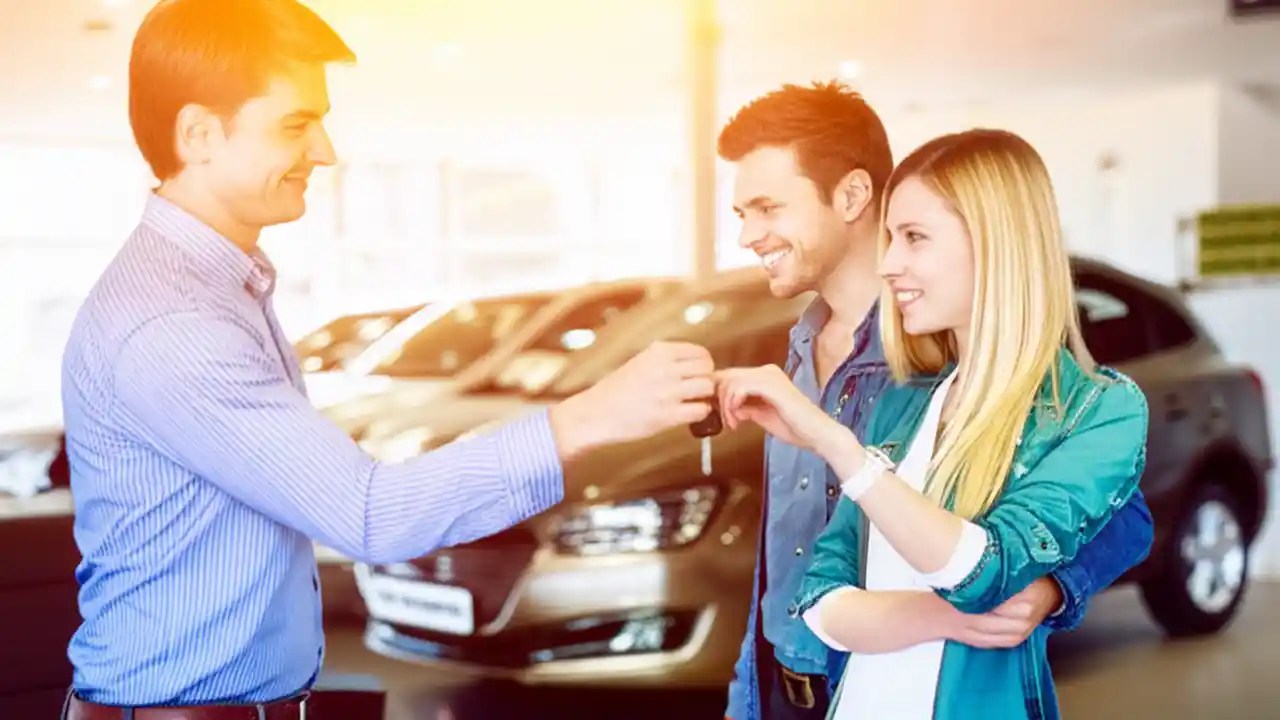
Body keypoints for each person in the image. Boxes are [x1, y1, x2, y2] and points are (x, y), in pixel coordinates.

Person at [59, 0, 716, 715]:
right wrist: (590, 416)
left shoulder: (220, 286)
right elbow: (368, 515)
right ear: (198, 134)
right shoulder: (173, 322)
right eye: (295, 124)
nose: (324, 151)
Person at [717, 83, 1154, 720]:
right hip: (785, 684)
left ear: (851, 196)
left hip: (898, 676)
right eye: (741, 214)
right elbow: (795, 563)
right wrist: (747, 694)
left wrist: (1053, 586)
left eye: (767, 207)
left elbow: (1119, 512)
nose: (748, 236)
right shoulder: (797, 348)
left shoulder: (941, 351)